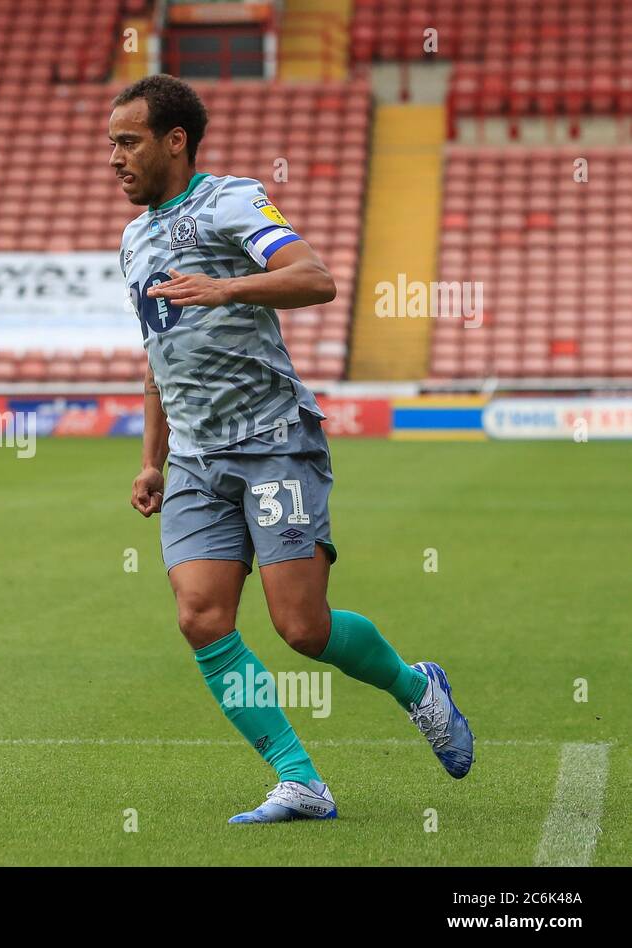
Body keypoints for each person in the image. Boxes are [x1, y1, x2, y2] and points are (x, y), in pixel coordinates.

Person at [109, 74, 474, 823]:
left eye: (128, 141)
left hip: (272, 442)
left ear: (175, 141)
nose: (114, 158)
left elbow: (316, 278)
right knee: (201, 618)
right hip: (195, 462)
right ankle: (298, 779)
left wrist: (228, 287)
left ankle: (416, 686)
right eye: (111, 143)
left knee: (302, 628)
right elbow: (158, 355)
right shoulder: (133, 239)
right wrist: (153, 457)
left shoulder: (231, 201)